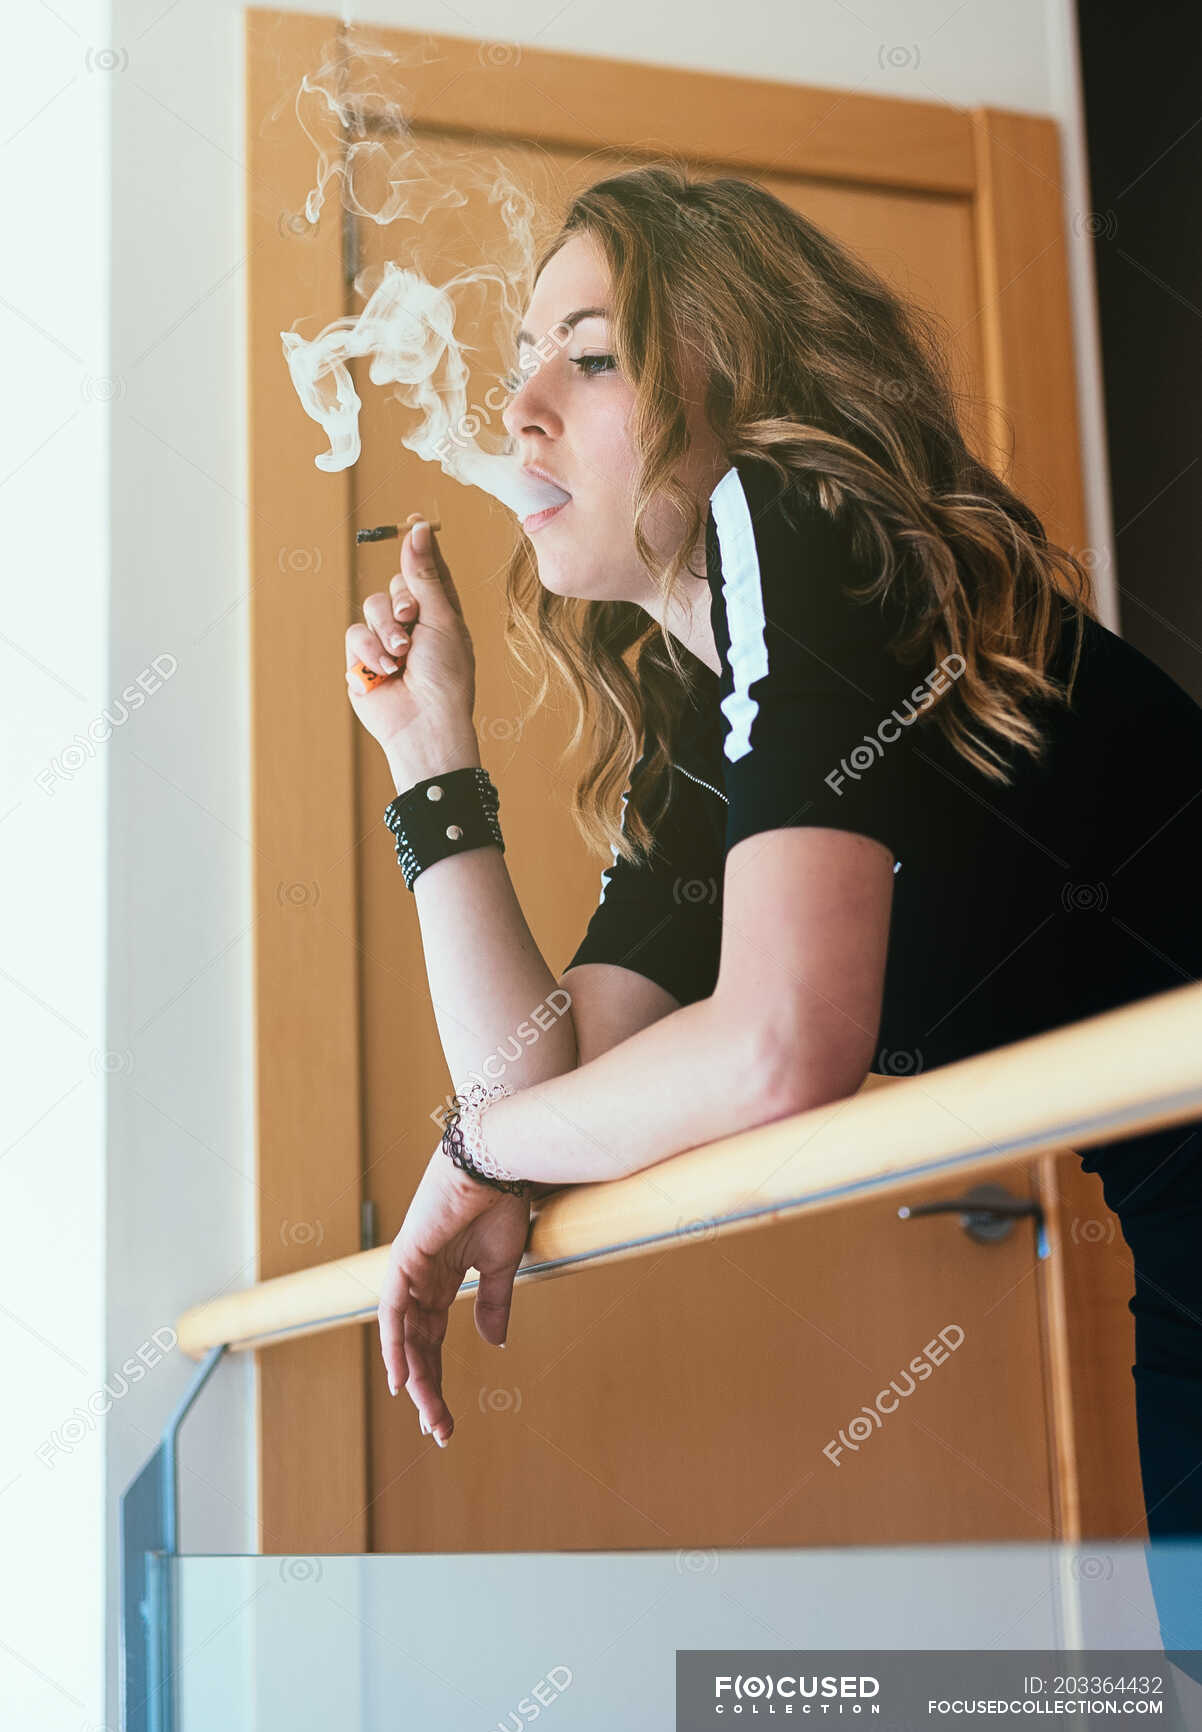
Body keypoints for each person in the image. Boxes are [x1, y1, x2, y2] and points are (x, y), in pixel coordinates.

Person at [344, 165, 1202, 1645]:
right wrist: (431, 762)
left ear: (734, 383)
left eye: (592, 356)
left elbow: (772, 1049)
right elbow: (554, 1086)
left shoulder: (784, 514)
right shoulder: (711, 719)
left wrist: (472, 1145)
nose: (522, 408)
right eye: (521, 364)